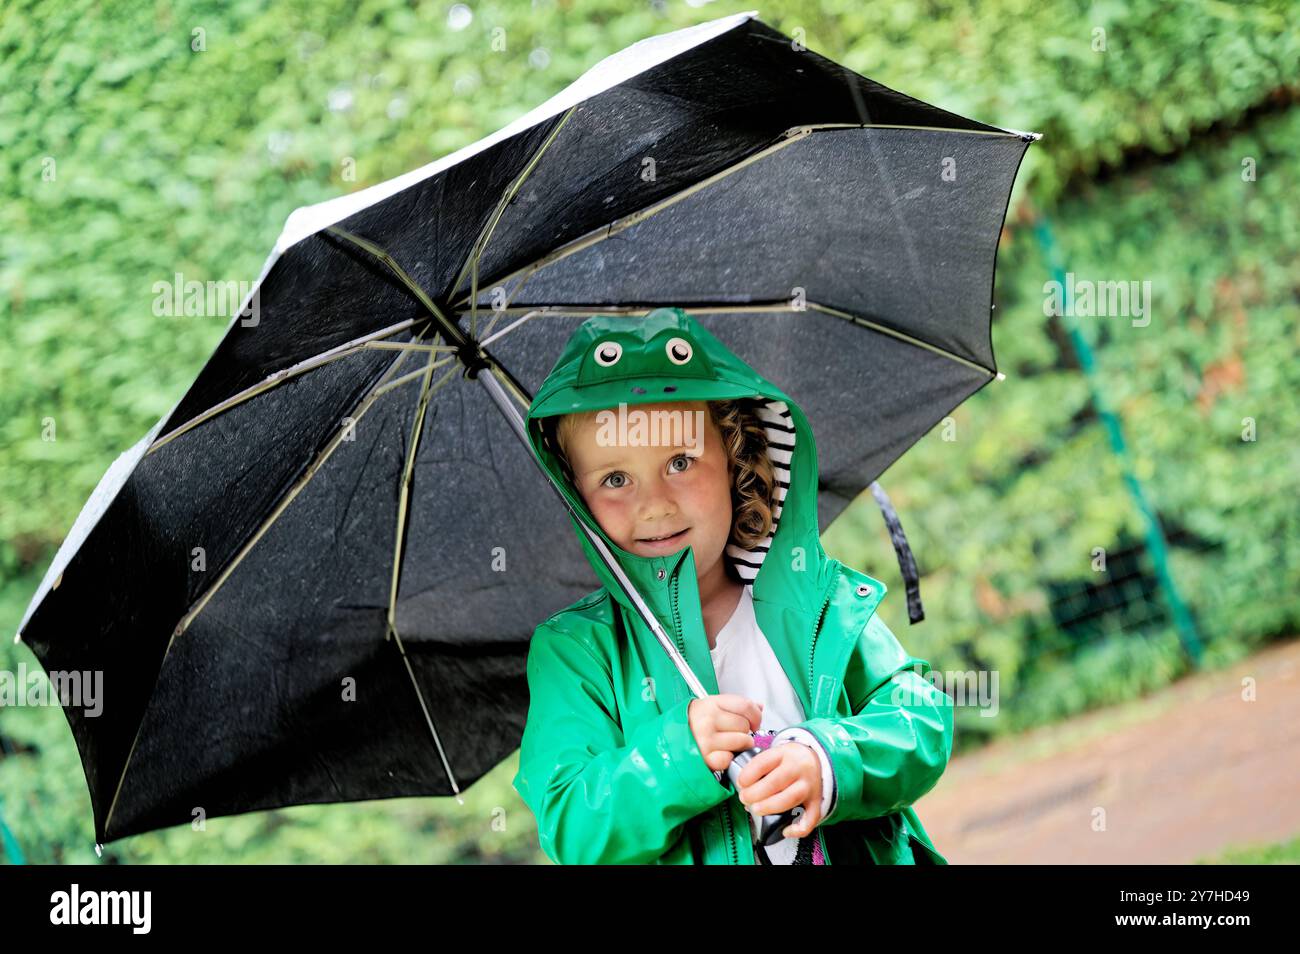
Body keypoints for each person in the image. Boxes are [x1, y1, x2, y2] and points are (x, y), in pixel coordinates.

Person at [511, 307, 953, 864]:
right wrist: (676, 756)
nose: (653, 504)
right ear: (579, 496)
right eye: (615, 479)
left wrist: (830, 759)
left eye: (679, 461)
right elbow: (573, 827)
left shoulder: (815, 601)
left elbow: (920, 720)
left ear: (735, 457)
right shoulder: (577, 653)